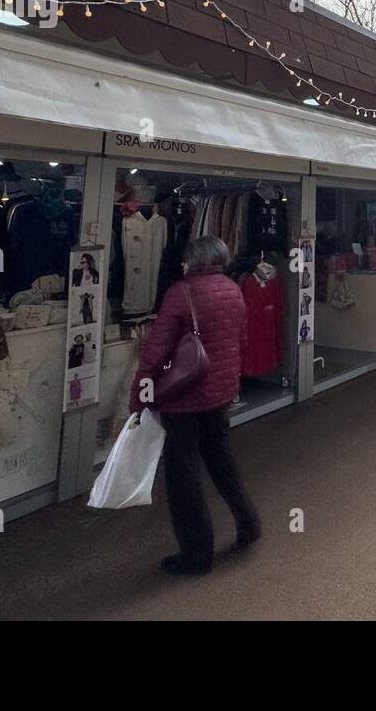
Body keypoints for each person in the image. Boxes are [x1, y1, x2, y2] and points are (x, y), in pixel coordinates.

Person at [130, 234, 262, 575]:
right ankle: (249, 524)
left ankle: (196, 554)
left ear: (195, 260)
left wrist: (140, 392)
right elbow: (241, 340)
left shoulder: (181, 292)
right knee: (222, 461)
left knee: (183, 475)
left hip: (184, 398)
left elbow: (156, 351)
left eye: (186, 259)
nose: (183, 264)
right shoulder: (233, 289)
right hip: (220, 394)